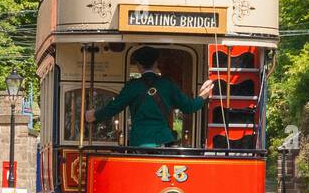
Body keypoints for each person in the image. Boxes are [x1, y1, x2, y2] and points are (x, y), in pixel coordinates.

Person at [85, 46, 214, 148]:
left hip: (139, 142)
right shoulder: (167, 84)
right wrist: (202, 96)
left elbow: (113, 108)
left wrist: (94, 115)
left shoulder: (132, 86)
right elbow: (189, 107)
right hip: (162, 140)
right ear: (156, 63)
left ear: (138, 65)